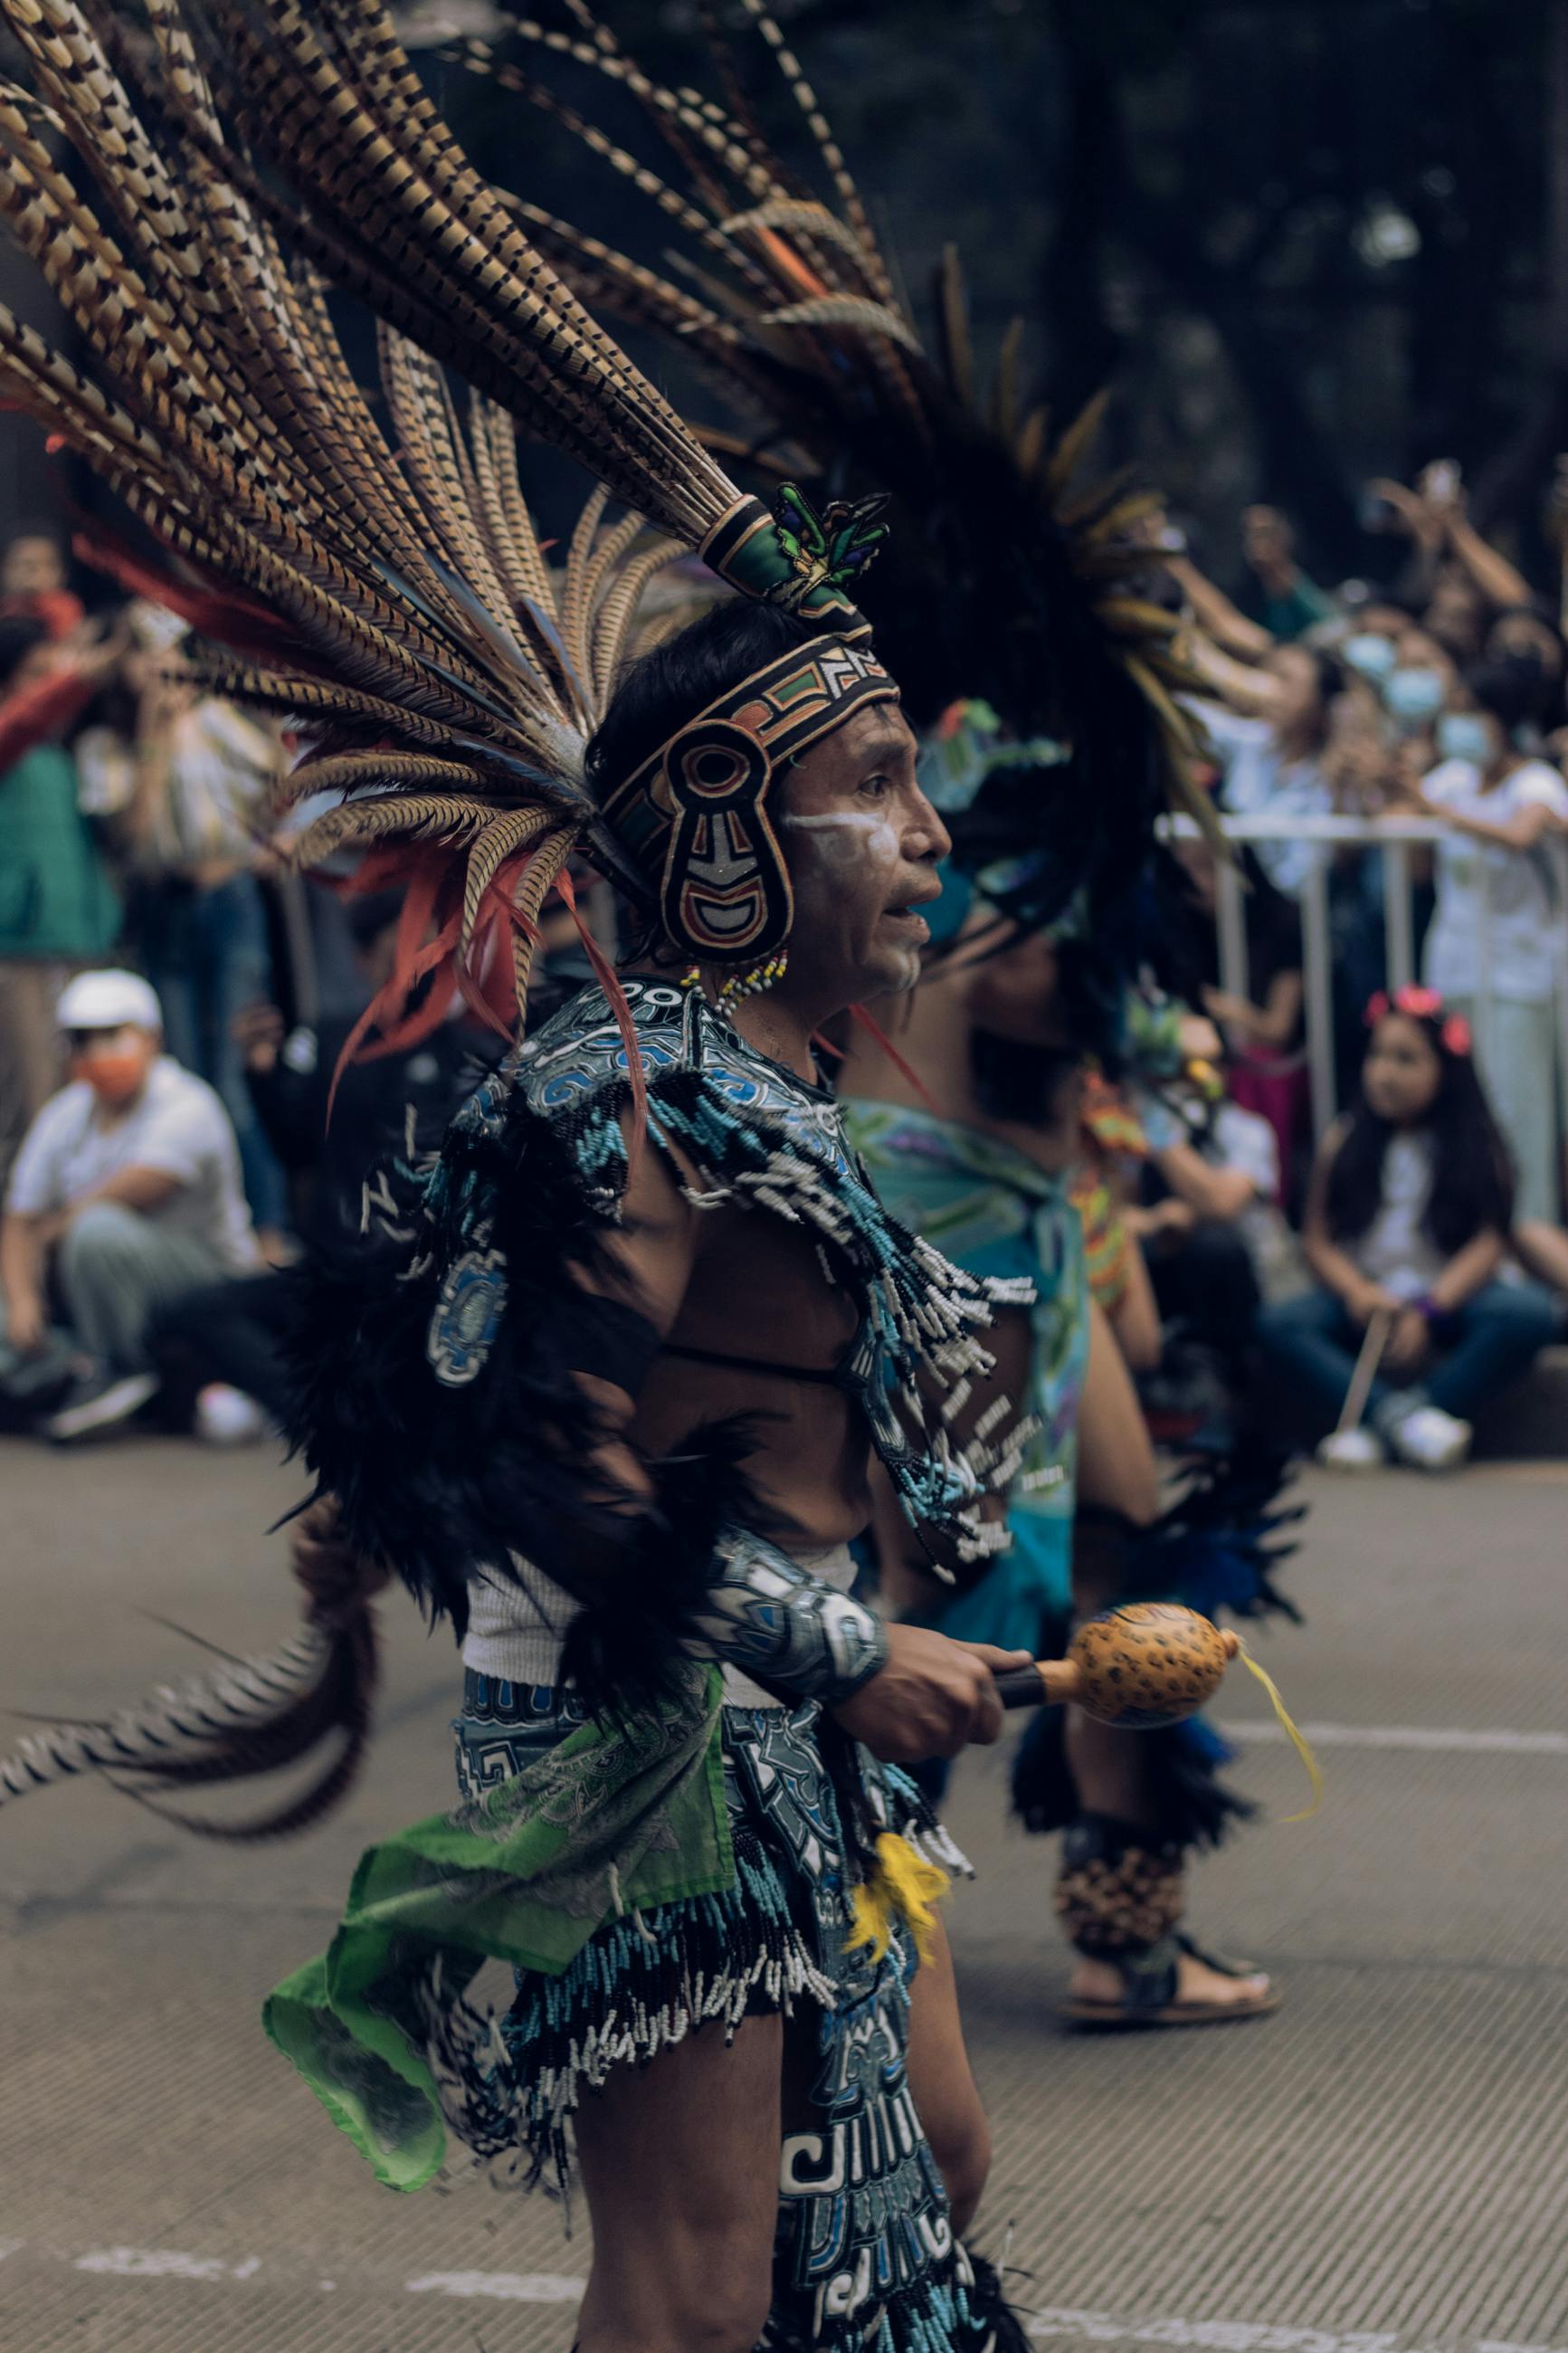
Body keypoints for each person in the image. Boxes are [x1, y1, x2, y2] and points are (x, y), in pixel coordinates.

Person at [1259, 989, 1557, 1471]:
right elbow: (1317, 1239)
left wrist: (1430, 1308)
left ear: (1445, 1069)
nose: (1384, 1073)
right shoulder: (1345, 1138)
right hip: (1369, 1299)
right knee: (1282, 1324)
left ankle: (1406, 1413)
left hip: (1447, 1298)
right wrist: (1357, 1292)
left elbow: (1490, 1240)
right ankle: (1402, 1420)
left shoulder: (1477, 1144)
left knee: (1526, 1313)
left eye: (1405, 1059)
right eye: (1376, 1055)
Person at [1, 967, 261, 1442]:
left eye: (113, 1037)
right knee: (9, 1307)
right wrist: (21, 1300)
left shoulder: (188, 1103)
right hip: (99, 1287)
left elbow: (136, 1189)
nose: (97, 1054)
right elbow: (20, 1219)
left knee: (95, 1231)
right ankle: (72, 1375)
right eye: (83, 1040)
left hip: (204, 1278)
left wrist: (47, 1237)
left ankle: (118, 1373)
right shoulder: (65, 1113)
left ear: (153, 1039)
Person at [114, 642, 291, 1243]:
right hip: (164, 909)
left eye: (169, 651)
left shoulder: (218, 719)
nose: (159, 668)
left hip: (230, 896)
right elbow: (132, 832)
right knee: (185, 1075)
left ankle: (267, 1225)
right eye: (142, 652)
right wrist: (153, 730)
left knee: (238, 1069)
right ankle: (206, 1232)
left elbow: (276, 790)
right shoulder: (110, 741)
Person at [1390, 659, 1568, 1223]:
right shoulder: (1452, 780)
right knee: (1458, 1113)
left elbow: (1520, 833)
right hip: (1453, 970)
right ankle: (1465, 1235)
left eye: (1471, 713)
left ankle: (1530, 1237)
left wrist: (1434, 809)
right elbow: (1413, 848)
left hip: (1521, 979)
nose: (1458, 724)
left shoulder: (1537, 782)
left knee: (1518, 1117)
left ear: (1502, 721)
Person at [0, 614, 128, 1192]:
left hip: (81, 943)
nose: (49, 683)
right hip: (18, 947)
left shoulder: (59, 755)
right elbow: (21, 722)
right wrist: (77, 678)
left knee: (86, 1099)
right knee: (30, 1101)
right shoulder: (12, 740)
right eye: (35, 674)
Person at [0, 521, 86, 641]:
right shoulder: (5, 608)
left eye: (47, 565)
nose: (31, 574)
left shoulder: (64, 608)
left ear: (60, 573)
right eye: (22, 565)